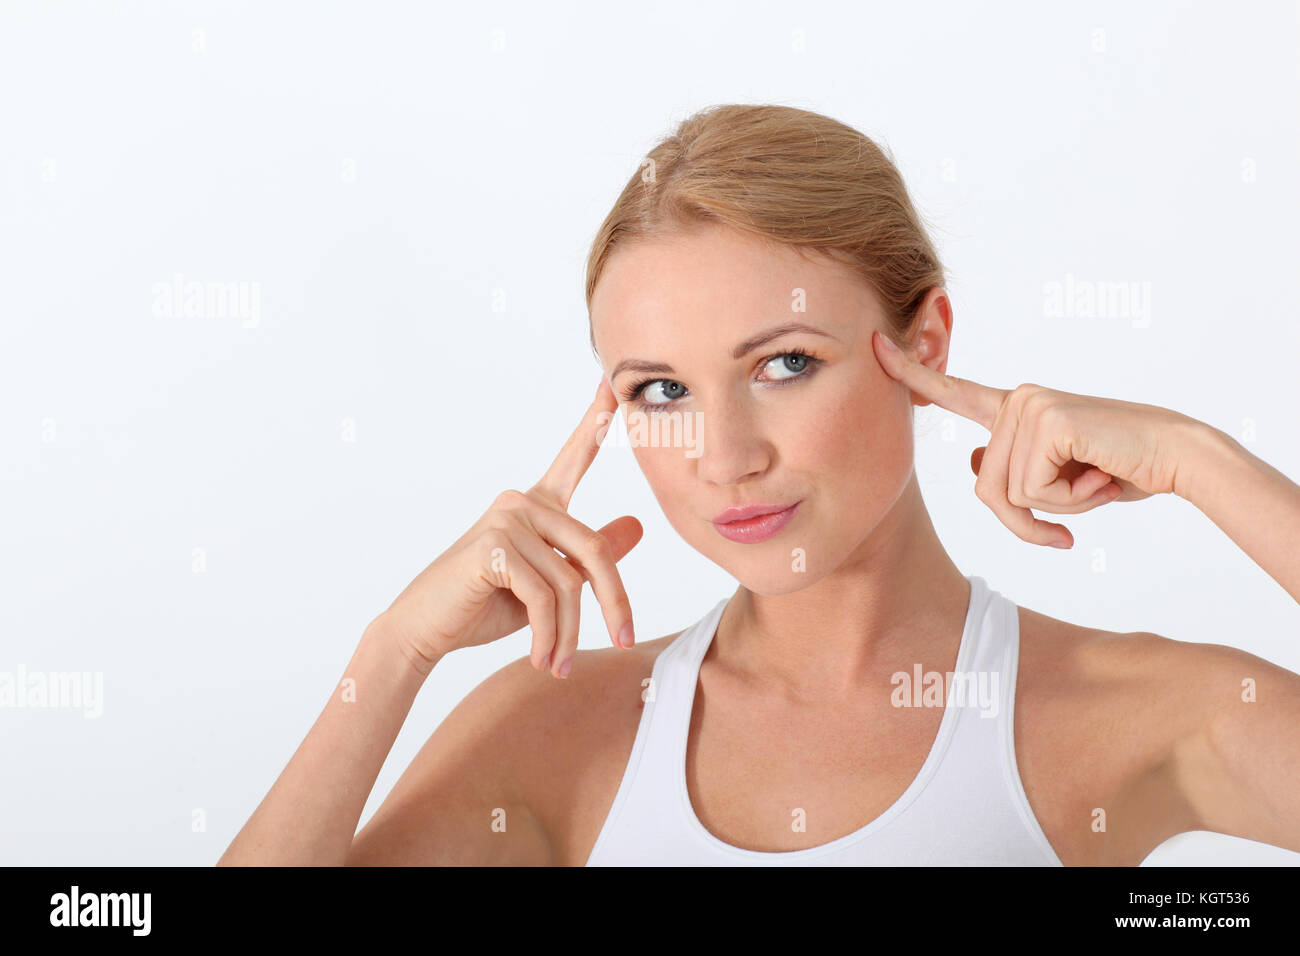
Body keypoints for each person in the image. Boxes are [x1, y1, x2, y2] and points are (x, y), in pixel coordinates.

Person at [218, 104, 1300, 866]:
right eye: (661, 390)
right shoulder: (558, 727)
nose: (723, 455)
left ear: (924, 340)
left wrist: (1198, 458)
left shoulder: (1120, 710)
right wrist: (393, 654)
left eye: (783, 364)